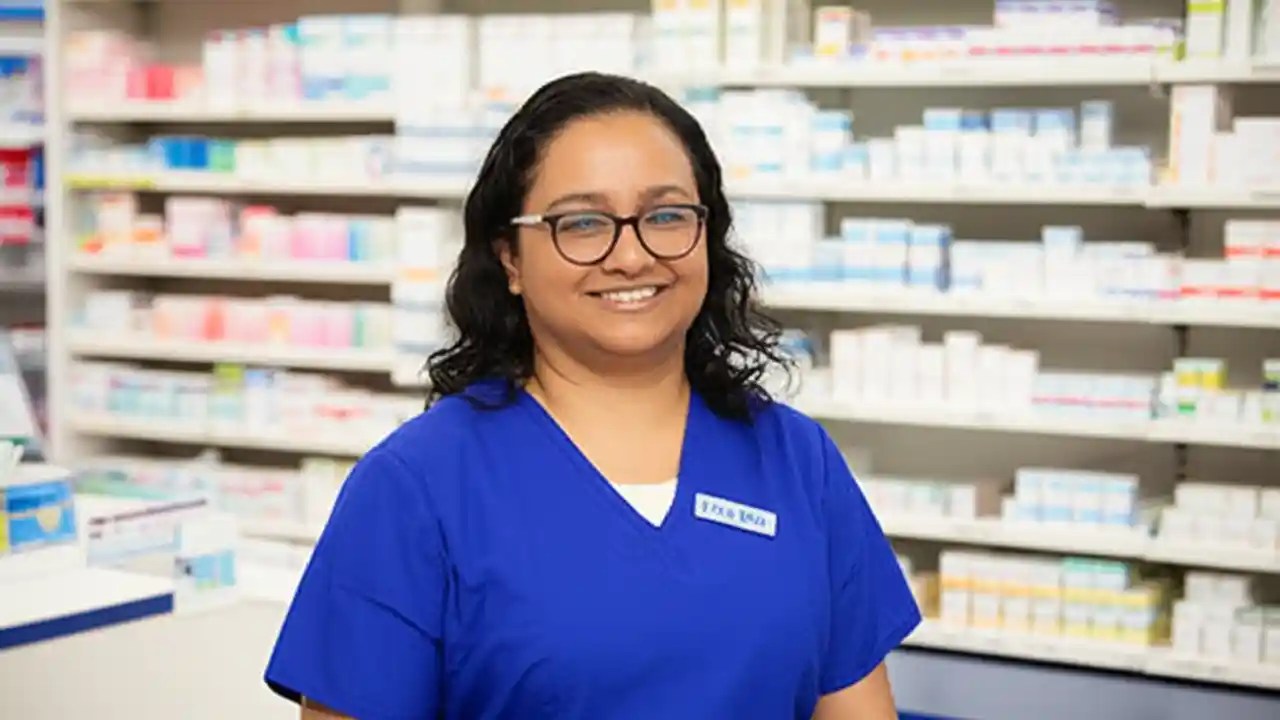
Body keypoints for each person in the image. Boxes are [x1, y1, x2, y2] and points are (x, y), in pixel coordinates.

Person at [264, 71, 921, 719]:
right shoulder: (417, 487)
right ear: (511, 260)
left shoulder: (795, 459)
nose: (632, 256)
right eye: (581, 224)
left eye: (666, 216)